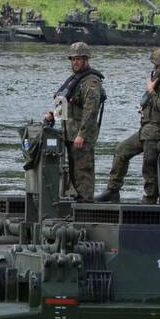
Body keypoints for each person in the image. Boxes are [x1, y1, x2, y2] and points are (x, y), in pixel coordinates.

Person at [98, 48, 160, 204]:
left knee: (149, 166)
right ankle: (113, 190)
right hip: (147, 129)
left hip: (158, 129)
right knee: (121, 151)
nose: (153, 68)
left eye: (156, 65)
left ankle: (150, 199)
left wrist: (151, 91)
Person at [43, 42, 105, 202]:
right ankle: (77, 198)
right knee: (72, 169)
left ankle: (86, 203)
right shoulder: (74, 80)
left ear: (86, 60)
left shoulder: (91, 82)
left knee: (83, 170)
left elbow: (90, 111)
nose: (74, 62)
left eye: (78, 59)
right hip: (69, 132)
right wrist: (54, 115)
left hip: (80, 135)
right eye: (72, 59)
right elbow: (67, 102)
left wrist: (82, 135)